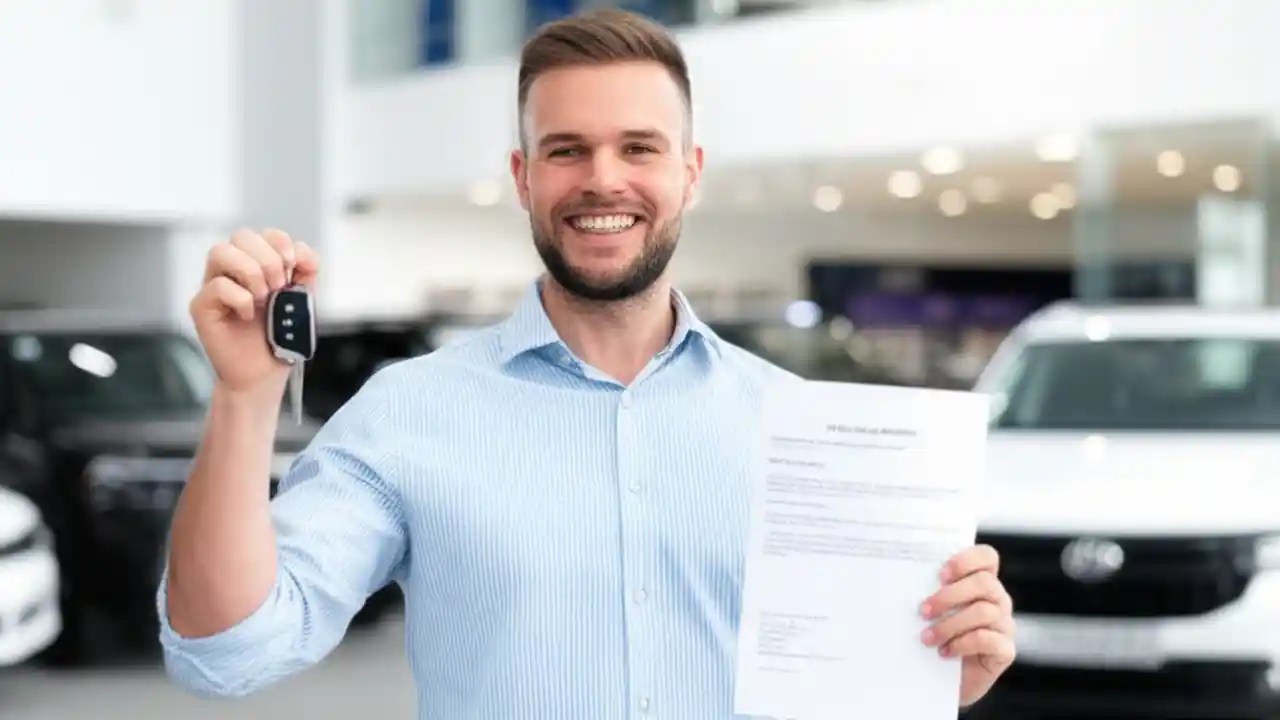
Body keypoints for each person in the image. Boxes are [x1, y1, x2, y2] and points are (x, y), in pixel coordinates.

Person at [159, 8, 1016, 717]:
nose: (604, 179)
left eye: (639, 148)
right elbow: (227, 651)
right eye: (567, 150)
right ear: (524, 177)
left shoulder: (795, 427)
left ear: (690, 173)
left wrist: (928, 680)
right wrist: (244, 397)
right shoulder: (407, 412)